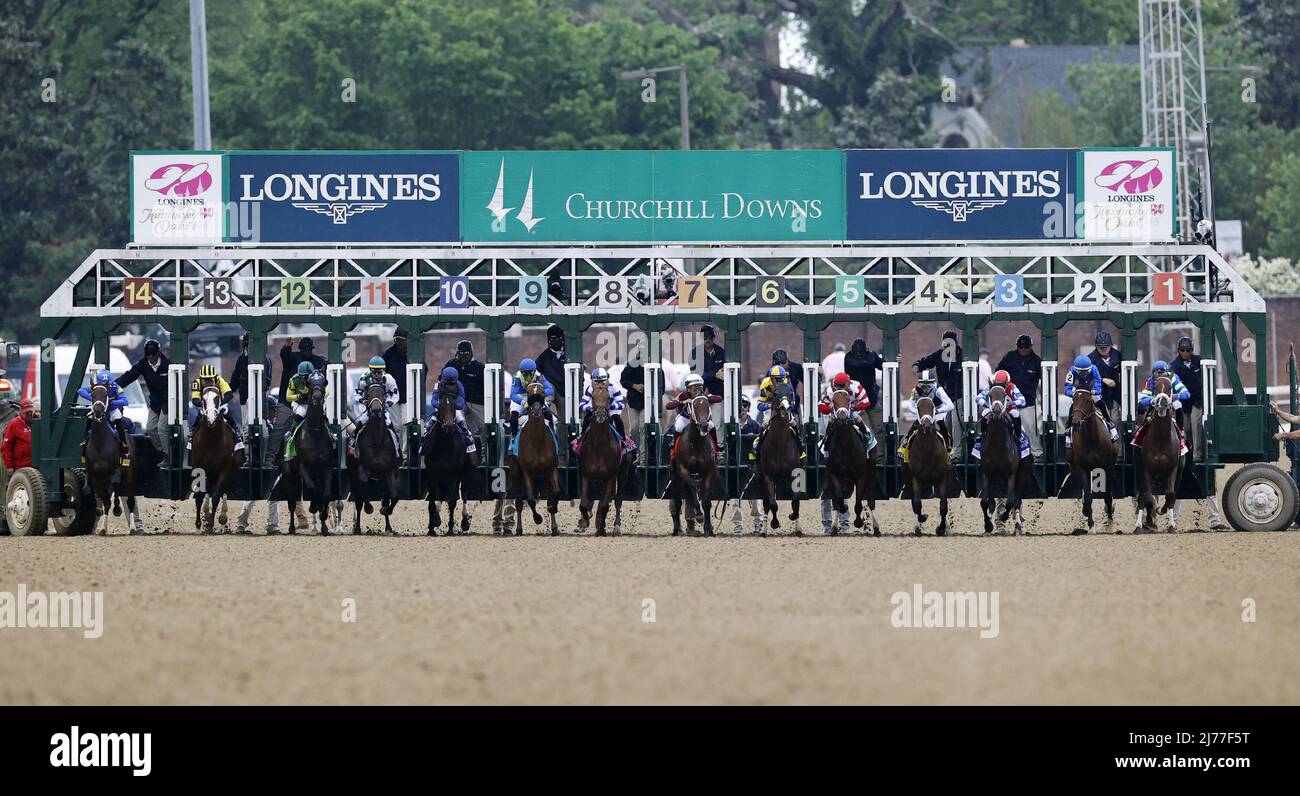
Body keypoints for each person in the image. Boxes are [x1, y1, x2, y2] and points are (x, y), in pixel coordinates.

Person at [115, 338, 169, 455]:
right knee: (150, 429)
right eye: (148, 354)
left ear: (158, 353)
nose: (151, 357)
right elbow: (129, 376)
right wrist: (113, 385)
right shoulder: (143, 364)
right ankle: (161, 451)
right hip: (155, 404)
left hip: (168, 403)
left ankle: (168, 455)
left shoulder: (168, 364)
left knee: (161, 428)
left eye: (153, 354)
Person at [997, 334, 1043, 458]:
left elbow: (1044, 379)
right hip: (1009, 401)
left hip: (1027, 401)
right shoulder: (1009, 357)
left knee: (1030, 428)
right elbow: (999, 372)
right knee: (1004, 427)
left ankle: (1036, 453)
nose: (1023, 349)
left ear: (1030, 347)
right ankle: (1006, 453)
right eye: (1021, 347)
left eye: (1025, 347)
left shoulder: (1036, 361)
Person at [914, 331, 964, 445]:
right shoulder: (939, 355)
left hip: (959, 394)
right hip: (945, 394)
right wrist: (917, 366)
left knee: (957, 423)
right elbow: (927, 361)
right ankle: (947, 448)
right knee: (946, 424)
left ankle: (957, 452)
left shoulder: (962, 356)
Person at [1131, 361, 1190, 455]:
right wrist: (1152, 401)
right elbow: (1143, 399)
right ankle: (1141, 431)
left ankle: (1181, 430)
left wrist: (1176, 396)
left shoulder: (1173, 378)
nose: (1160, 375)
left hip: (1170, 403)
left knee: (1178, 404)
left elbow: (1186, 394)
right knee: (1146, 408)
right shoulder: (1150, 381)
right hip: (1156, 403)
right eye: (1158, 373)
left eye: (1163, 372)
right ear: (1153, 373)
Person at [574, 367, 634, 459]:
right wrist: (592, 408)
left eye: (602, 381)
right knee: (587, 417)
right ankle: (581, 436)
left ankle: (623, 440)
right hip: (597, 408)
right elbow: (582, 404)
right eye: (596, 382)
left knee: (617, 418)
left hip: (611, 408)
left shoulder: (613, 386)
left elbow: (621, 404)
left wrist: (609, 408)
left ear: (607, 380)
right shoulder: (590, 388)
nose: (599, 385)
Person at [896, 370, 956, 462]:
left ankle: (948, 449)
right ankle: (904, 446)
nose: (925, 388)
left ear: (933, 383)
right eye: (923, 384)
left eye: (928, 384)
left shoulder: (938, 390)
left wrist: (937, 411)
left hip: (938, 410)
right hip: (924, 412)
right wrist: (919, 412)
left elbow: (950, 405)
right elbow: (910, 406)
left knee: (942, 425)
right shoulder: (915, 390)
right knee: (915, 425)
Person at [1063, 354, 1119, 453]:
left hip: (1091, 392)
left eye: (1085, 371)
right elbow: (1067, 386)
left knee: (1100, 403)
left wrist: (1095, 391)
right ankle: (1068, 428)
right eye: (1081, 372)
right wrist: (1072, 393)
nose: (1084, 374)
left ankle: (1109, 422)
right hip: (1079, 392)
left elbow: (1098, 382)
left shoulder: (1094, 369)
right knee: (1074, 407)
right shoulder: (1071, 371)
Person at [186, 363, 245, 455]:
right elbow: (194, 400)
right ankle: (192, 434)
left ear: (214, 378)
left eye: (210, 380)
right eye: (205, 381)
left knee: (225, 412)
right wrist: (203, 403)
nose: (208, 383)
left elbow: (229, 394)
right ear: (201, 379)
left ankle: (236, 433)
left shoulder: (219, 380)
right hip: (205, 403)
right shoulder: (196, 383)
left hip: (219, 402)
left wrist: (219, 403)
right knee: (201, 414)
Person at [972, 370, 1030, 461]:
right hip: (993, 410)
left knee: (1016, 413)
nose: (1000, 386)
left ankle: (1019, 437)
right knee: (984, 413)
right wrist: (989, 405)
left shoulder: (1012, 387)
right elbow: (978, 398)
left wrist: (1011, 404)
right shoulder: (992, 388)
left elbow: (1022, 400)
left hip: (1008, 410)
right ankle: (981, 434)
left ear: (1007, 383)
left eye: (1003, 385)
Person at [351, 356, 402, 459]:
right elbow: (356, 393)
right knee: (362, 421)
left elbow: (396, 395)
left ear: (383, 371)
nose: (377, 375)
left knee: (389, 424)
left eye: (379, 372)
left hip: (383, 406)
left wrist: (388, 403)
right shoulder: (363, 379)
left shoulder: (388, 379)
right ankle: (353, 443)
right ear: (370, 370)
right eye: (375, 372)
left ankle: (397, 448)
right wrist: (363, 401)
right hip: (369, 407)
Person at [844, 338, 885, 462]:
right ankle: (868, 456)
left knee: (879, 428)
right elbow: (861, 364)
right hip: (857, 403)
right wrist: (871, 356)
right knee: (866, 429)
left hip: (872, 399)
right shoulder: (849, 358)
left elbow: (882, 365)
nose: (859, 357)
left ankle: (879, 457)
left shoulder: (871, 356)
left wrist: (894, 360)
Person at [666, 373, 723, 463]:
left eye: (700, 387)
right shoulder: (683, 396)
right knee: (679, 427)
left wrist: (707, 398)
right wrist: (683, 402)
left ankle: (717, 449)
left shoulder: (703, 395)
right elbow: (668, 406)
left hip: (700, 419)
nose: (698, 391)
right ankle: (673, 450)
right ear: (688, 389)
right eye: (694, 388)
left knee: (711, 426)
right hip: (686, 418)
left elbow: (718, 398)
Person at [619, 346, 661, 466]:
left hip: (648, 402)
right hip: (633, 401)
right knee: (634, 428)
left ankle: (643, 458)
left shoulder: (655, 364)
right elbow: (624, 380)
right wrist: (635, 386)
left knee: (643, 427)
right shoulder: (632, 363)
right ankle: (639, 452)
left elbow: (660, 382)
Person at [816, 371, 873, 457]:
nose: (849, 385)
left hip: (853, 409)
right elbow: (821, 405)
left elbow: (866, 403)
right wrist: (831, 409)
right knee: (831, 420)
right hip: (837, 411)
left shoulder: (856, 386)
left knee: (855, 416)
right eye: (848, 384)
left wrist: (854, 408)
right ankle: (826, 444)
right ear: (843, 385)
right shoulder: (830, 391)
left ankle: (867, 439)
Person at [751, 365, 802, 461]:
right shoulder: (765, 384)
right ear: (771, 378)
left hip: (783, 406)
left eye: (781, 379)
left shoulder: (787, 383)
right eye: (777, 379)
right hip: (770, 405)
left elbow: (793, 402)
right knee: (766, 421)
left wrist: (788, 407)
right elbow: (759, 404)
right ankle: (758, 444)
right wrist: (769, 406)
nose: (780, 382)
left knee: (792, 421)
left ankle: (799, 445)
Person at [77, 370, 132, 458]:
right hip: (99, 409)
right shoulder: (95, 387)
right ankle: (85, 440)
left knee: (118, 421)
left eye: (109, 384)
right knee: (89, 419)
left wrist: (112, 402)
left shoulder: (116, 387)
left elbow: (125, 401)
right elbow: (80, 391)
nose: (108, 387)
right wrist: (93, 398)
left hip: (112, 409)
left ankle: (124, 443)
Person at [1170, 336, 1207, 462]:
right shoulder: (1174, 365)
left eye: (1188, 350)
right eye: (1183, 350)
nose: (1186, 353)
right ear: (1179, 351)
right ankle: (1189, 450)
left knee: (1196, 424)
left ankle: (1197, 454)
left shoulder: (1199, 361)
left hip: (1197, 400)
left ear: (1192, 350)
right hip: (1184, 402)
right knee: (1187, 428)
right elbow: (1173, 382)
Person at [427, 366, 477, 457]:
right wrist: (442, 406)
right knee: (428, 427)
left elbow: (461, 402)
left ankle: (470, 445)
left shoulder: (459, 386)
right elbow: (433, 400)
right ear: (443, 380)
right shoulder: (437, 385)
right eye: (447, 382)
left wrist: (452, 406)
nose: (449, 385)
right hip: (441, 409)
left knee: (464, 426)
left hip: (454, 409)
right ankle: (423, 444)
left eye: (451, 383)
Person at [228, 332, 271, 434]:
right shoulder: (241, 359)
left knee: (261, 425)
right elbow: (235, 381)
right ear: (245, 345)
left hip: (259, 400)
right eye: (248, 345)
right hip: (244, 399)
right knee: (245, 427)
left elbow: (267, 382)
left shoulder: (265, 359)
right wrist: (225, 391)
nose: (249, 348)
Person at [733, 394, 763, 534]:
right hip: (736, 467)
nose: (742, 408)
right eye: (739, 405)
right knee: (735, 500)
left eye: (744, 405)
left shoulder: (756, 426)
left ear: (748, 408)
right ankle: (738, 527)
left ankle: (758, 525)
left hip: (752, 467)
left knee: (756, 498)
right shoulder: (730, 426)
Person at [443, 340, 485, 433]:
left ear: (471, 353)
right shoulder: (451, 365)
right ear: (457, 353)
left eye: (466, 353)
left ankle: (484, 446)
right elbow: (441, 381)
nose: (464, 355)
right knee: (460, 425)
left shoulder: (479, 368)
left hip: (476, 402)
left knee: (484, 426)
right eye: (461, 352)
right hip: (456, 400)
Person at [281, 361, 319, 462]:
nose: (303, 378)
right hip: (300, 403)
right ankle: (292, 436)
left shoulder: (317, 378)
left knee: (322, 414)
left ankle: (331, 435)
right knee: (302, 413)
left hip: (313, 402)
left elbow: (327, 391)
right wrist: (299, 396)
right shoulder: (294, 380)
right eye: (302, 376)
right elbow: (288, 397)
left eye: (306, 376)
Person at [508, 357, 556, 435]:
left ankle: (553, 434)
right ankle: (514, 436)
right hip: (521, 396)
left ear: (534, 371)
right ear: (521, 372)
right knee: (513, 418)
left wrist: (540, 393)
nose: (528, 377)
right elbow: (513, 394)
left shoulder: (539, 375)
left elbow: (550, 389)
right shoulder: (517, 377)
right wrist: (523, 402)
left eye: (530, 373)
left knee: (548, 414)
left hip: (536, 395)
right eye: (525, 374)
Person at [692, 325, 726, 429]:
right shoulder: (695, 353)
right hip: (700, 395)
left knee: (717, 424)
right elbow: (695, 374)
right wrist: (714, 375)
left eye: (710, 337)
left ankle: (718, 444)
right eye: (705, 337)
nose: (708, 340)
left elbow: (725, 373)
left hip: (718, 394)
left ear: (713, 337)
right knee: (701, 423)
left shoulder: (721, 352)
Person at [536, 325, 568, 421]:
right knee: (545, 408)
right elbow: (535, 371)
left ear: (562, 339)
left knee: (564, 418)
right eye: (552, 339)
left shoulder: (568, 354)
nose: (555, 341)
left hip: (564, 391)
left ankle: (562, 434)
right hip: (549, 389)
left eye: (557, 339)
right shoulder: (544, 356)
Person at [1089, 331, 1123, 419]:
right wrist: (1102, 379)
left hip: (1116, 393)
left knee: (1115, 418)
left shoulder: (1118, 356)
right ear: (1096, 347)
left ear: (1111, 346)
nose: (1103, 349)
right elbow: (1088, 378)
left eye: (1106, 347)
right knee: (1102, 419)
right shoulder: (1090, 359)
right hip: (1100, 394)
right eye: (1101, 347)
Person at [2, 398, 38, 471]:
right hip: (20, 467)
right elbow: (6, 447)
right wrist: (9, 466)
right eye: (27, 412)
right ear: (20, 411)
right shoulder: (14, 424)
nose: (29, 414)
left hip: (37, 465)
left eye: (31, 412)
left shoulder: (38, 422)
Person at [383, 329, 409, 406]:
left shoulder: (414, 353)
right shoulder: (387, 354)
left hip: (410, 398)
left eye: (401, 339)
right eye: (397, 339)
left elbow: (424, 371)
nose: (398, 341)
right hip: (392, 399)